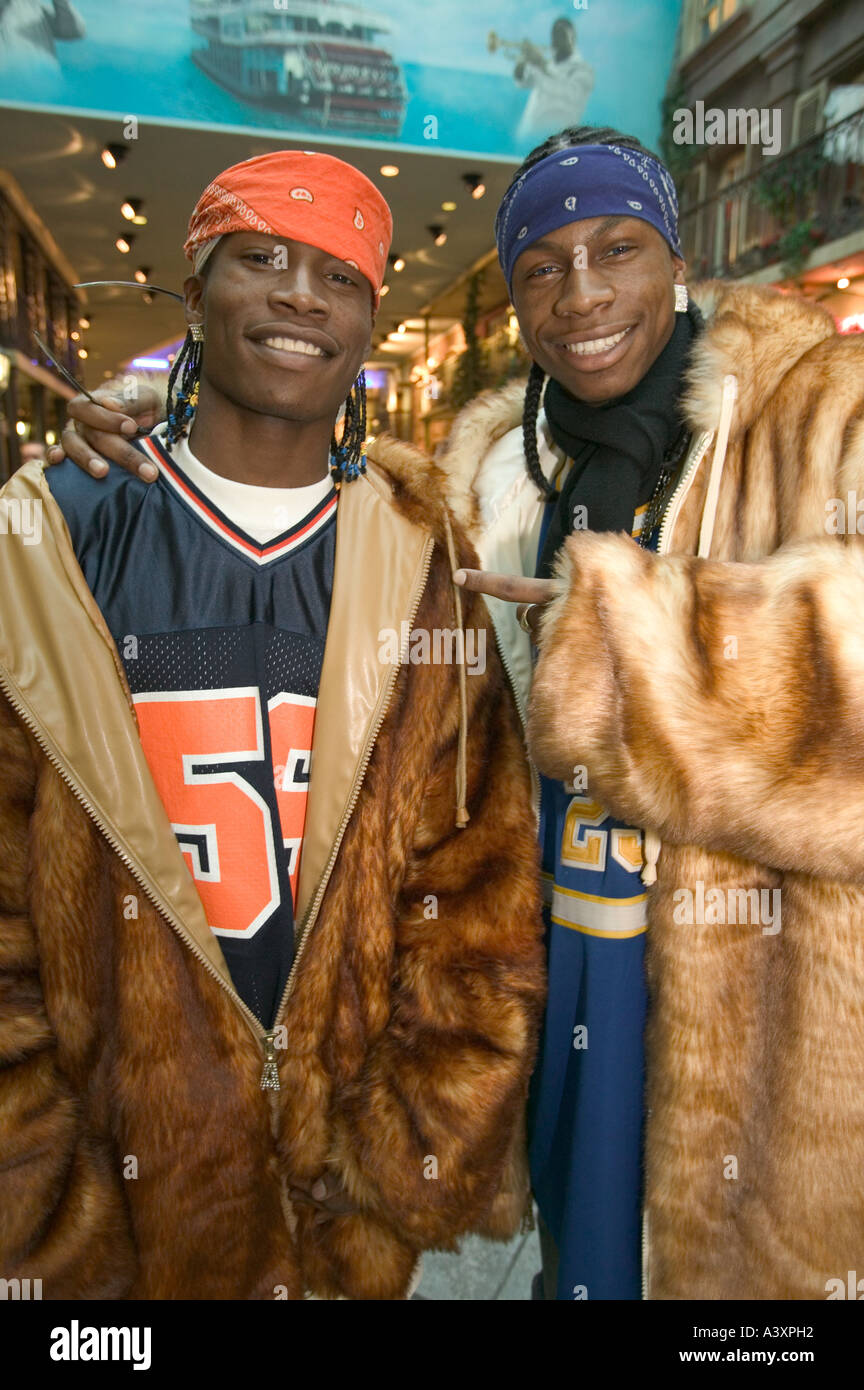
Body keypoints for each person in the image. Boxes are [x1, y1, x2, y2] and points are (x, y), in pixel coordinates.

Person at [0, 149, 545, 1301]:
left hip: (335, 1219)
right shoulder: (54, 537)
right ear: (193, 290)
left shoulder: (421, 568)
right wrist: (41, 1196)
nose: (303, 294)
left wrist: (404, 1161)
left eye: (339, 275)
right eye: (263, 259)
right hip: (109, 1215)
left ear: (369, 320)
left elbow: (479, 899)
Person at [445, 125, 864, 1300]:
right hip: (560, 939)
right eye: (543, 265)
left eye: (616, 250)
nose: (582, 294)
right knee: (585, 1239)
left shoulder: (817, 405)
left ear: (675, 262)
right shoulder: (494, 465)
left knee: (724, 1271)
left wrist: (635, 625)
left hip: (752, 968)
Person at [512, 18, 594, 145]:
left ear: (572, 39)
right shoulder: (549, 64)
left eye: (561, 36)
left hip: (558, 143)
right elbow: (523, 82)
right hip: (529, 135)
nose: (556, 42)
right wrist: (522, 62)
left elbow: (569, 93)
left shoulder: (584, 71)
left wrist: (541, 64)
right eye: (554, 37)